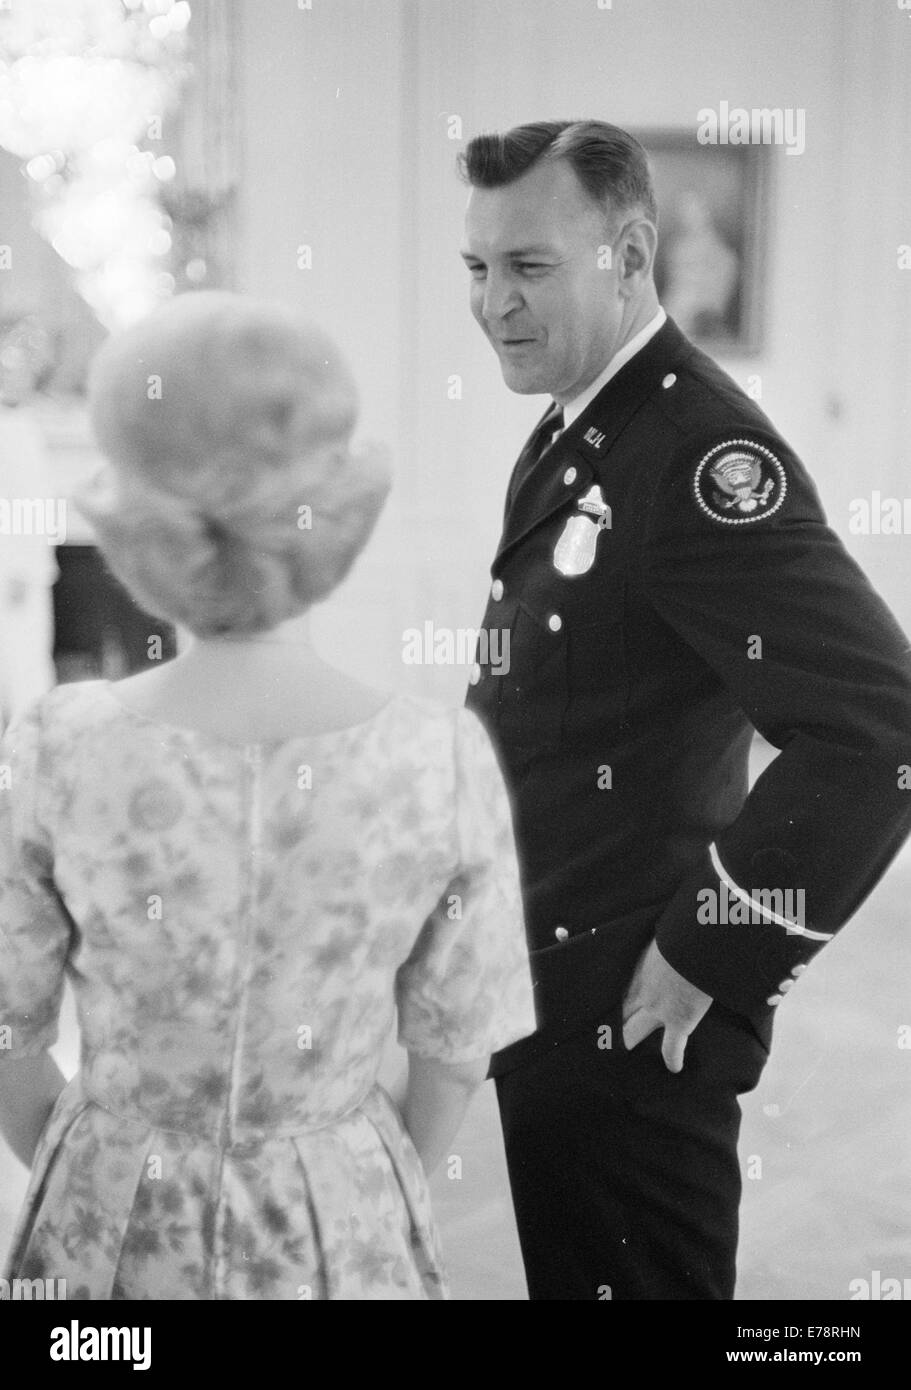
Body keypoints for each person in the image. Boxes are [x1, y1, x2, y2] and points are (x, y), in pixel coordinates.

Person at [0, 290, 535, 1300]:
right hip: (340, 1221)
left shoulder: (61, 748)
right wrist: (369, 1178)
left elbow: (8, 1035)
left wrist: (93, 1167)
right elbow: (454, 1049)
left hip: (109, 1218)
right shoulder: (437, 754)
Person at [459, 119, 911, 1301]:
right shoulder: (577, 424)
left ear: (628, 252)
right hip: (549, 973)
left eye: (529, 267)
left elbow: (877, 729)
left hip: (631, 1001)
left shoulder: (695, 453)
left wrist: (713, 947)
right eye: (478, 269)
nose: (494, 303)